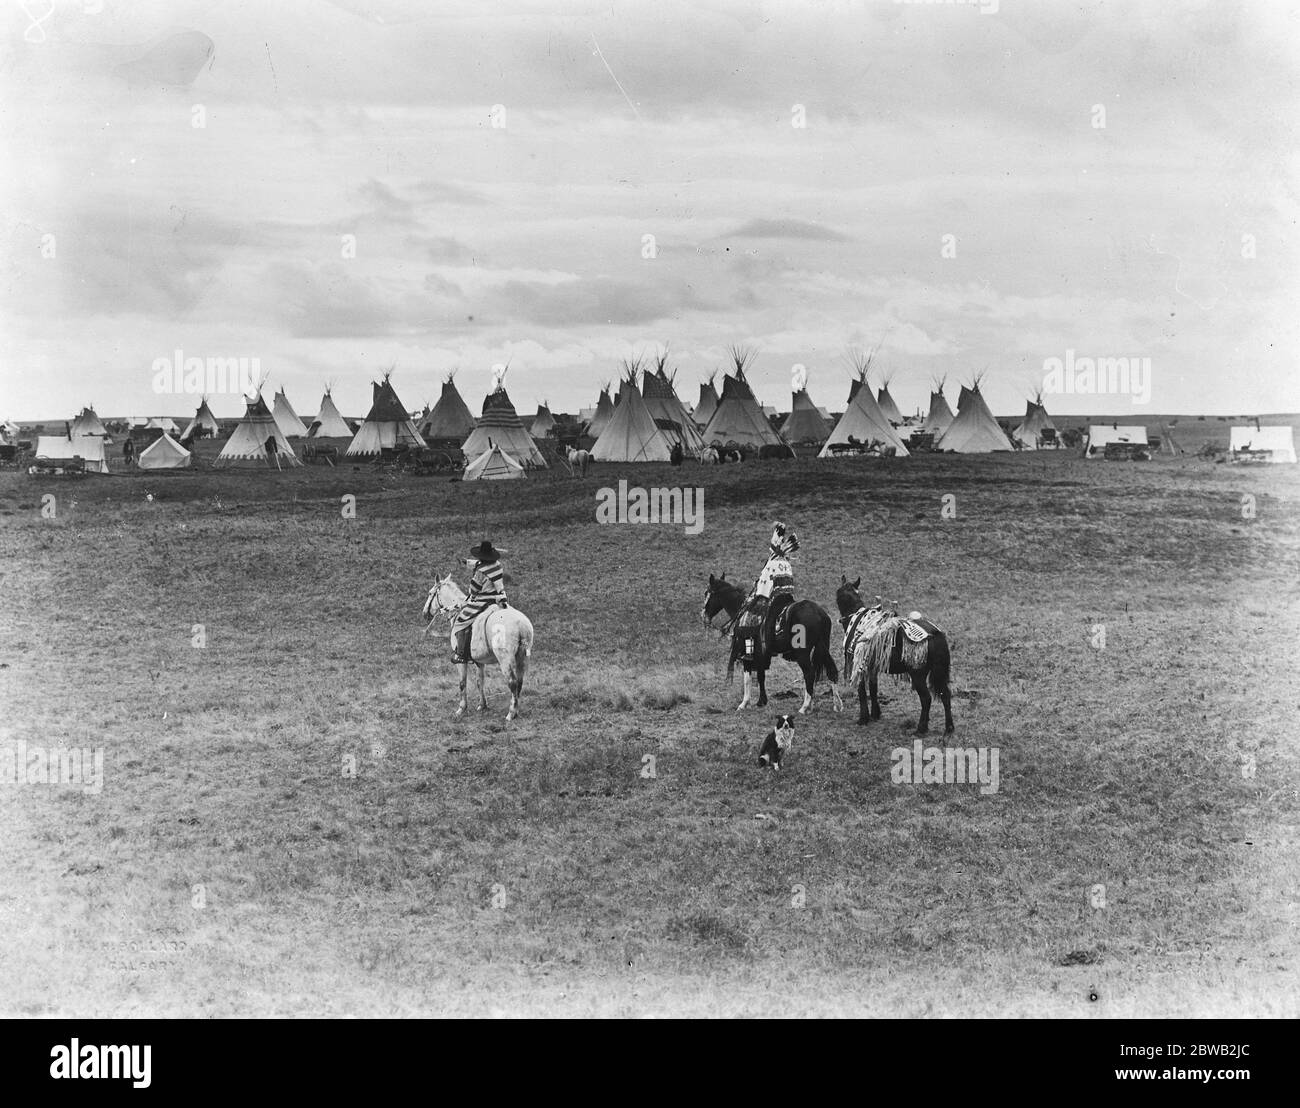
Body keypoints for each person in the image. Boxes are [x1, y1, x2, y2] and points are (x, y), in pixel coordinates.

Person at [736, 522, 798, 660]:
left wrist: (756, 597)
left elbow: (764, 586)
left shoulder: (772, 563)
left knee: (749, 619)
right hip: (789, 598)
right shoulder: (786, 563)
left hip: (771, 598)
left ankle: (749, 652)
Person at [451, 540, 509, 664]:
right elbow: (478, 564)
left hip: (483, 602)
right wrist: (466, 562)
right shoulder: (498, 565)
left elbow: (474, 590)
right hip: (498, 599)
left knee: (460, 621)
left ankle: (461, 654)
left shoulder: (480, 572)